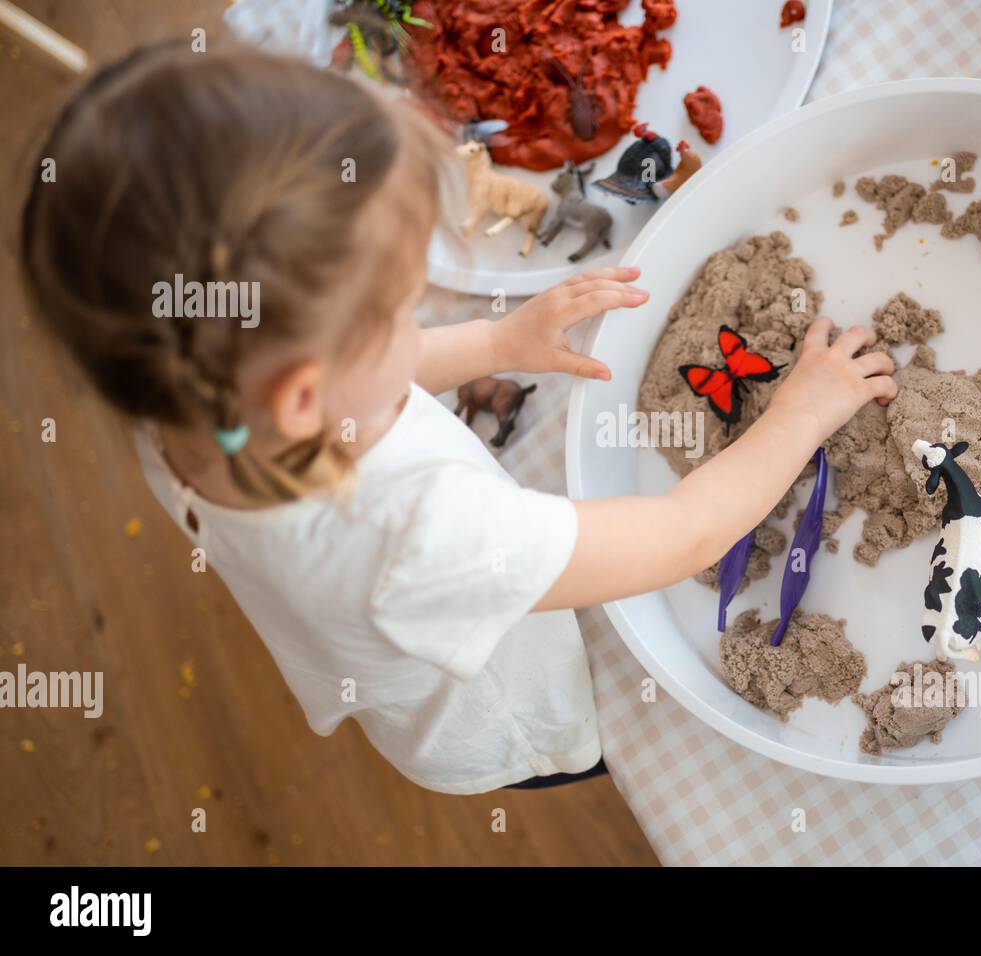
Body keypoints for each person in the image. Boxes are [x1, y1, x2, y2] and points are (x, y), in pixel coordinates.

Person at [20, 43, 897, 794]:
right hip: (501, 704)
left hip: (376, 603)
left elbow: (377, 383)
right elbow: (682, 535)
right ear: (301, 392)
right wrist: (801, 412)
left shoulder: (186, 395)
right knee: (592, 730)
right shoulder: (425, 536)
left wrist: (493, 342)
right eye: (400, 311)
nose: (417, 326)